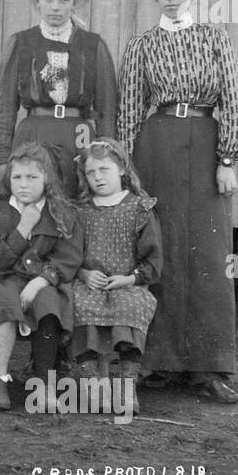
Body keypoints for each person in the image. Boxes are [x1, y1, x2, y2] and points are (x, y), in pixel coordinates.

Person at [118, 0, 238, 403]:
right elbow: (131, 110)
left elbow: (231, 98)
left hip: (208, 144)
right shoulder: (141, 45)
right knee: (163, 246)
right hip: (159, 146)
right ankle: (160, 363)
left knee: (210, 254)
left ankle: (207, 368)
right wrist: (127, 170)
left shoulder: (216, 38)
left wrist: (227, 159)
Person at [0, 0, 118, 196]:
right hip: (34, 133)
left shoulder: (93, 45)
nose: (55, 7)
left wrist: (105, 157)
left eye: (64, 0)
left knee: (77, 201)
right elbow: (5, 107)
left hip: (78, 137)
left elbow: (107, 108)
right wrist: (2, 158)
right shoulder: (21, 43)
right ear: (36, 3)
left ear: (74, 4)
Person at [0, 142, 83, 412]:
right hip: (6, 278)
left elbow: (69, 257)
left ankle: (44, 384)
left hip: (44, 280)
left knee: (49, 304)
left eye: (32, 177)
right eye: (17, 177)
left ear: (47, 178)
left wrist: (41, 281)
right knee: (6, 301)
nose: (23, 184)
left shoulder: (63, 212)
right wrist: (23, 228)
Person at [70, 139, 162, 416]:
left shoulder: (139, 208)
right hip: (89, 284)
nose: (98, 177)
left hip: (127, 282)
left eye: (104, 169)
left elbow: (154, 261)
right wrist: (84, 273)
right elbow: (68, 255)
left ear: (121, 168)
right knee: (76, 302)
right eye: (91, 172)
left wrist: (130, 279)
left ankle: (126, 385)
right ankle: (91, 383)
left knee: (133, 305)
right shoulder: (80, 211)